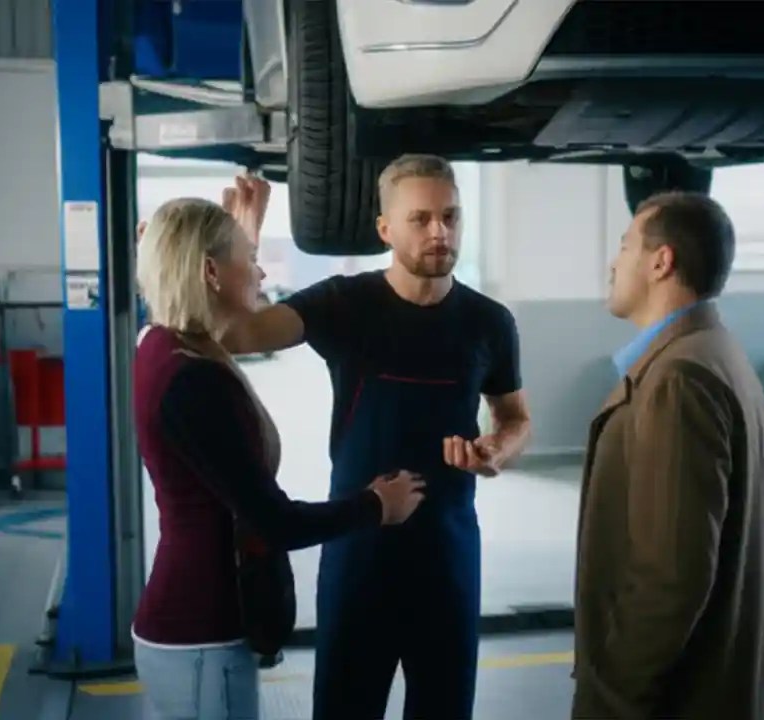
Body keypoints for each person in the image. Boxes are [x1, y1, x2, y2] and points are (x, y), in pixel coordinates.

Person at [220, 155, 532, 720]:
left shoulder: (489, 322)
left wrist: (495, 451)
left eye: (451, 216)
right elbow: (239, 333)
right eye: (420, 219)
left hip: (449, 554)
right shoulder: (343, 303)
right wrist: (244, 239)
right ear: (385, 229)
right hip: (360, 551)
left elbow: (515, 417)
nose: (440, 232)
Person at [130, 197, 427, 720]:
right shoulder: (194, 382)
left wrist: (236, 236)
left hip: (185, 624)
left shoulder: (162, 344)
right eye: (250, 254)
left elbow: (220, 330)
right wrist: (378, 505)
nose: (262, 268)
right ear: (210, 271)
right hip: (202, 633)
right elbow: (275, 521)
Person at [572, 191, 764, 720]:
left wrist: (613, 693)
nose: (613, 262)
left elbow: (671, 574)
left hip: (678, 699)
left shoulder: (678, 378)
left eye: (625, 247)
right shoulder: (715, 351)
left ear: (660, 261)